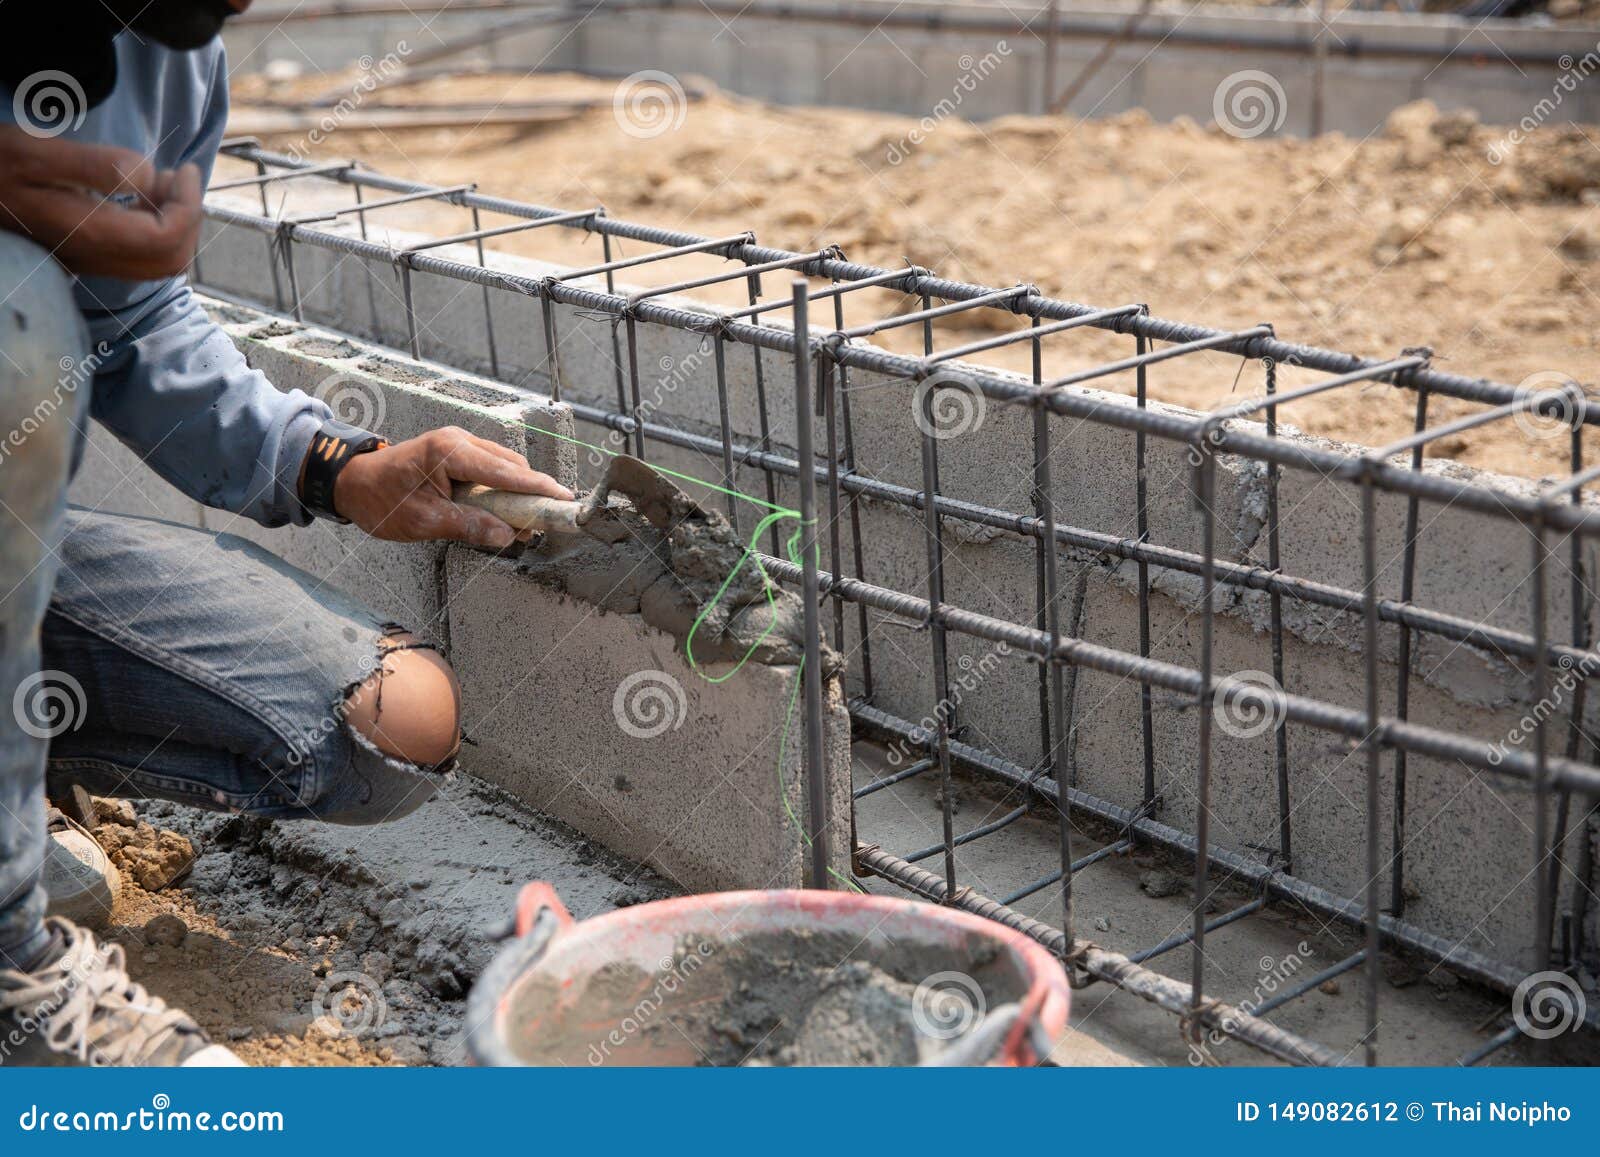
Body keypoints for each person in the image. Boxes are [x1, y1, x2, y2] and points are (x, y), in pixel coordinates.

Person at [0, 1, 571, 1065]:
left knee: (390, 722)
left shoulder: (166, 58)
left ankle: (19, 783)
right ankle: (13, 967)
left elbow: (129, 332)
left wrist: (335, 467)